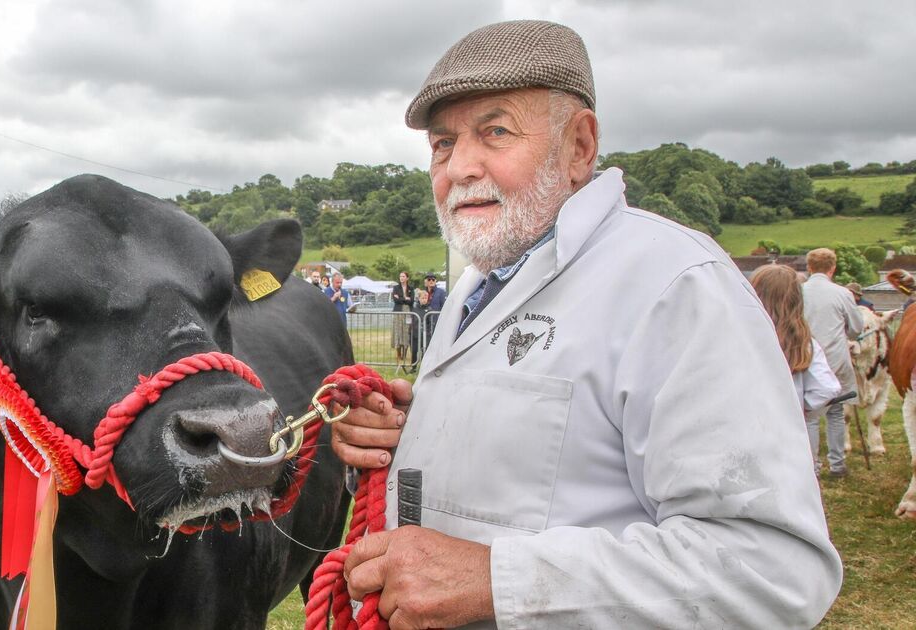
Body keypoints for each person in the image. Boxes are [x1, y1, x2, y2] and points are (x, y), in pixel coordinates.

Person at [330, 20, 839, 629]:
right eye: (443, 144)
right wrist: (413, 429)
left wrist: (496, 581)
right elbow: (563, 451)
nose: (461, 166)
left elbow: (774, 571)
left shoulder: (674, 284)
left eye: (495, 131)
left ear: (578, 146)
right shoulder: (478, 284)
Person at [802, 248, 863, 478]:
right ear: (833, 268)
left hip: (807, 358)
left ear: (809, 267)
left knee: (811, 415)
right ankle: (837, 465)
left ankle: (813, 467)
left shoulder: (800, 290)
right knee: (836, 411)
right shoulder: (842, 293)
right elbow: (856, 328)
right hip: (836, 359)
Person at [751, 265, 840, 412]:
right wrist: (798, 408)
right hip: (787, 428)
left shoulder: (740, 336)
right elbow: (827, 389)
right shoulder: (803, 343)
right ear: (797, 299)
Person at [390, 270, 416, 371]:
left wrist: (401, 298)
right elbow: (395, 300)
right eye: (400, 276)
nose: (401, 278)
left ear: (407, 278)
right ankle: (398, 354)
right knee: (397, 332)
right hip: (398, 312)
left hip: (408, 312)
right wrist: (405, 298)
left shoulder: (411, 288)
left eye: (403, 276)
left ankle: (405, 353)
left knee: (406, 332)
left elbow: (412, 300)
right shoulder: (396, 288)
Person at [422, 273, 447, 341]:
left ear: (435, 281)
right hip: (425, 322)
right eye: (429, 279)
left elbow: (444, 307)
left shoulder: (441, 292)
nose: (431, 281)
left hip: (436, 322)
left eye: (433, 279)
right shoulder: (423, 292)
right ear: (426, 281)